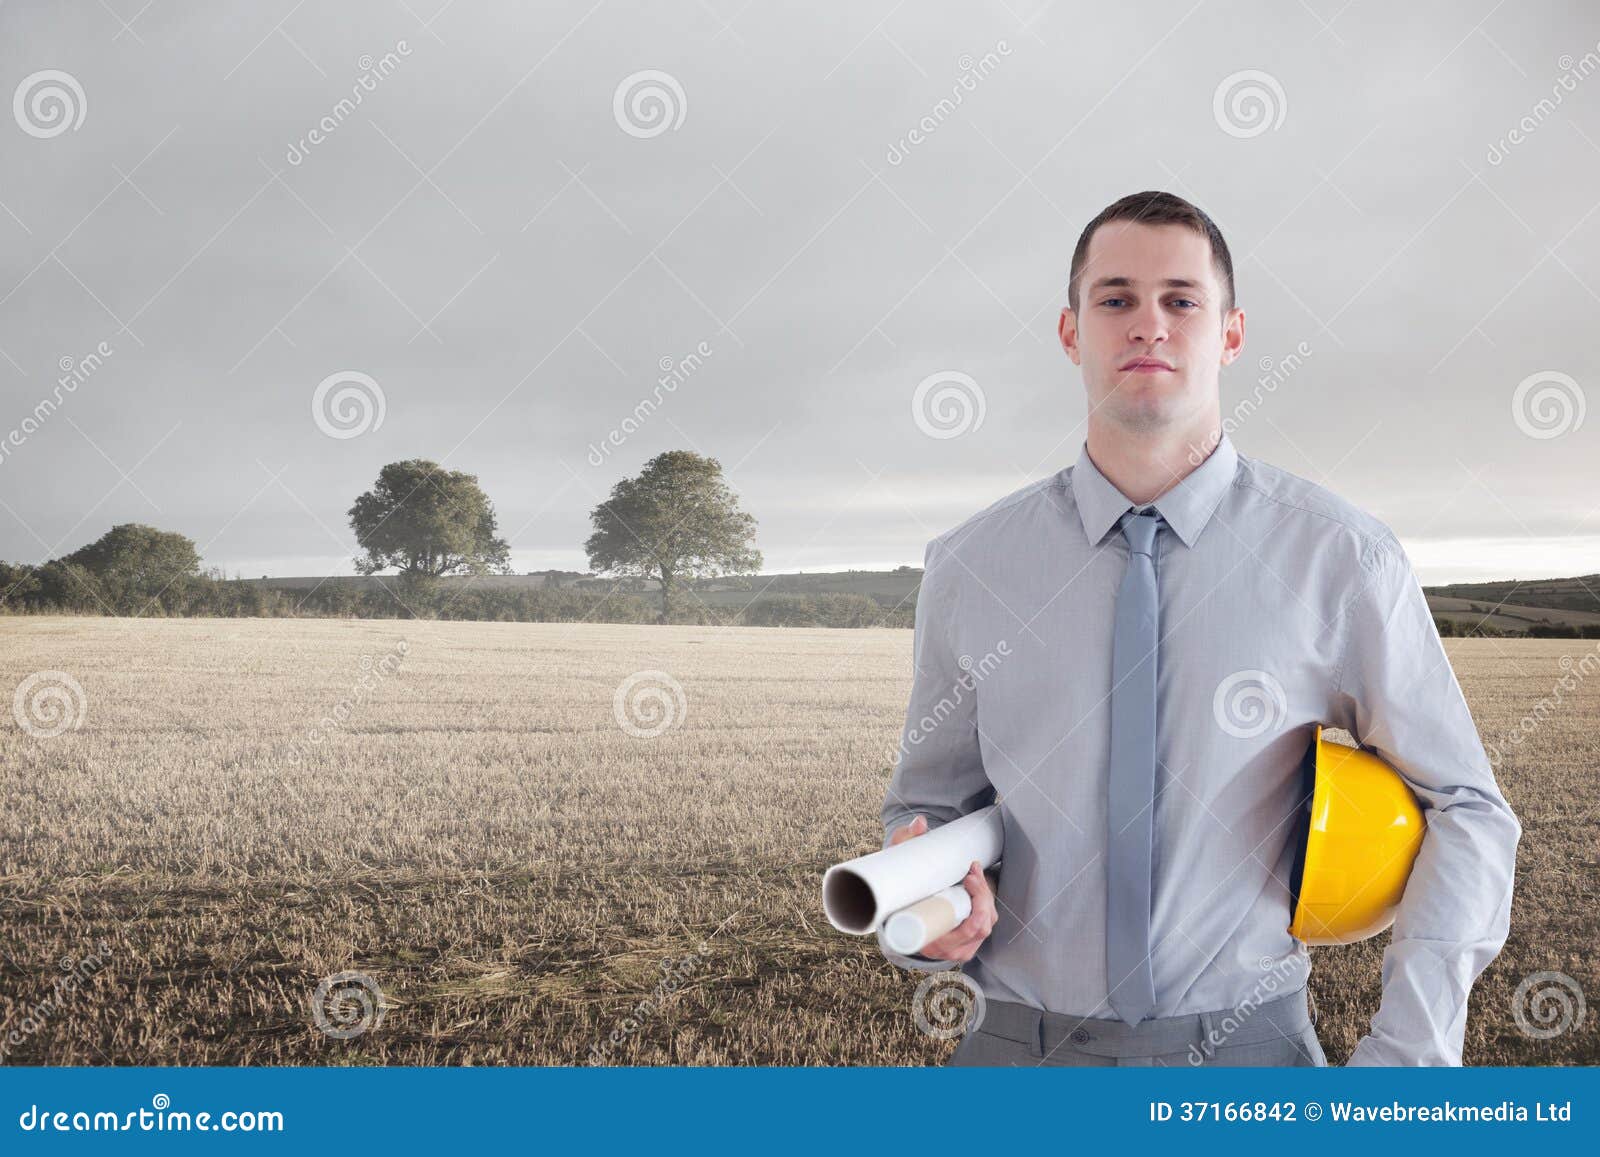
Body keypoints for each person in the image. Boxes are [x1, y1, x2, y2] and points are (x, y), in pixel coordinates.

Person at [880, 190, 1521, 1067]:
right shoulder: (970, 565)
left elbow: (1469, 808)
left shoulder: (1340, 557)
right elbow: (929, 806)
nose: (1149, 325)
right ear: (1071, 332)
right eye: (1115, 300)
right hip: (1010, 1059)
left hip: (1251, 1061)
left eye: (1181, 300)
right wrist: (926, 919)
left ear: (1231, 333)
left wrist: (1410, 1057)